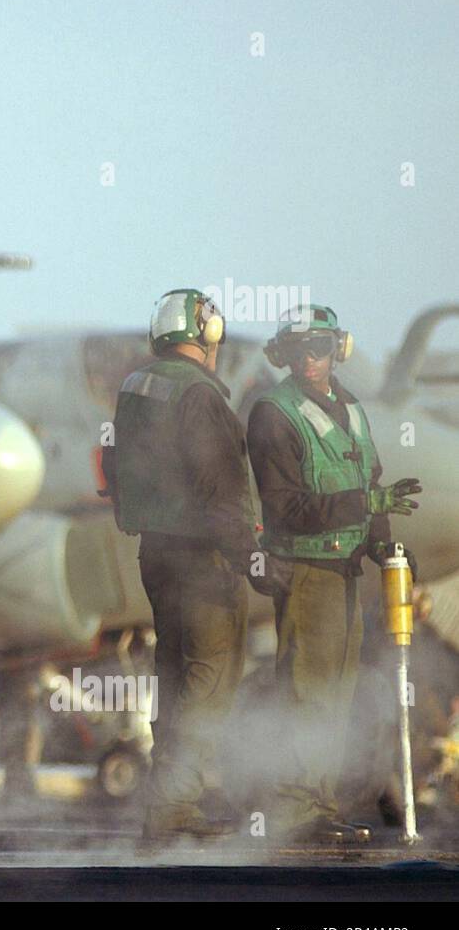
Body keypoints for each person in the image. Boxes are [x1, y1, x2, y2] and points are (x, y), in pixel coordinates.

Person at [102, 289, 277, 840]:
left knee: (174, 672)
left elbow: (116, 462)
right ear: (204, 333)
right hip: (204, 558)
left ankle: (172, 801)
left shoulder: (137, 384)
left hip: (156, 551)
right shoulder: (200, 394)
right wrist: (251, 559)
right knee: (211, 677)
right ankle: (173, 805)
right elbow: (219, 487)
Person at [249, 305, 421, 845]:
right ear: (284, 353)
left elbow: (366, 477)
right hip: (306, 571)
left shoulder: (349, 407)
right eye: (299, 348)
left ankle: (317, 806)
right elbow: (284, 509)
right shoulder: (273, 413)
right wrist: (365, 503)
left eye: (320, 347)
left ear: (336, 349)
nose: (310, 358)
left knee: (335, 695)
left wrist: (381, 541)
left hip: (343, 569)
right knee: (307, 693)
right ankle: (295, 812)